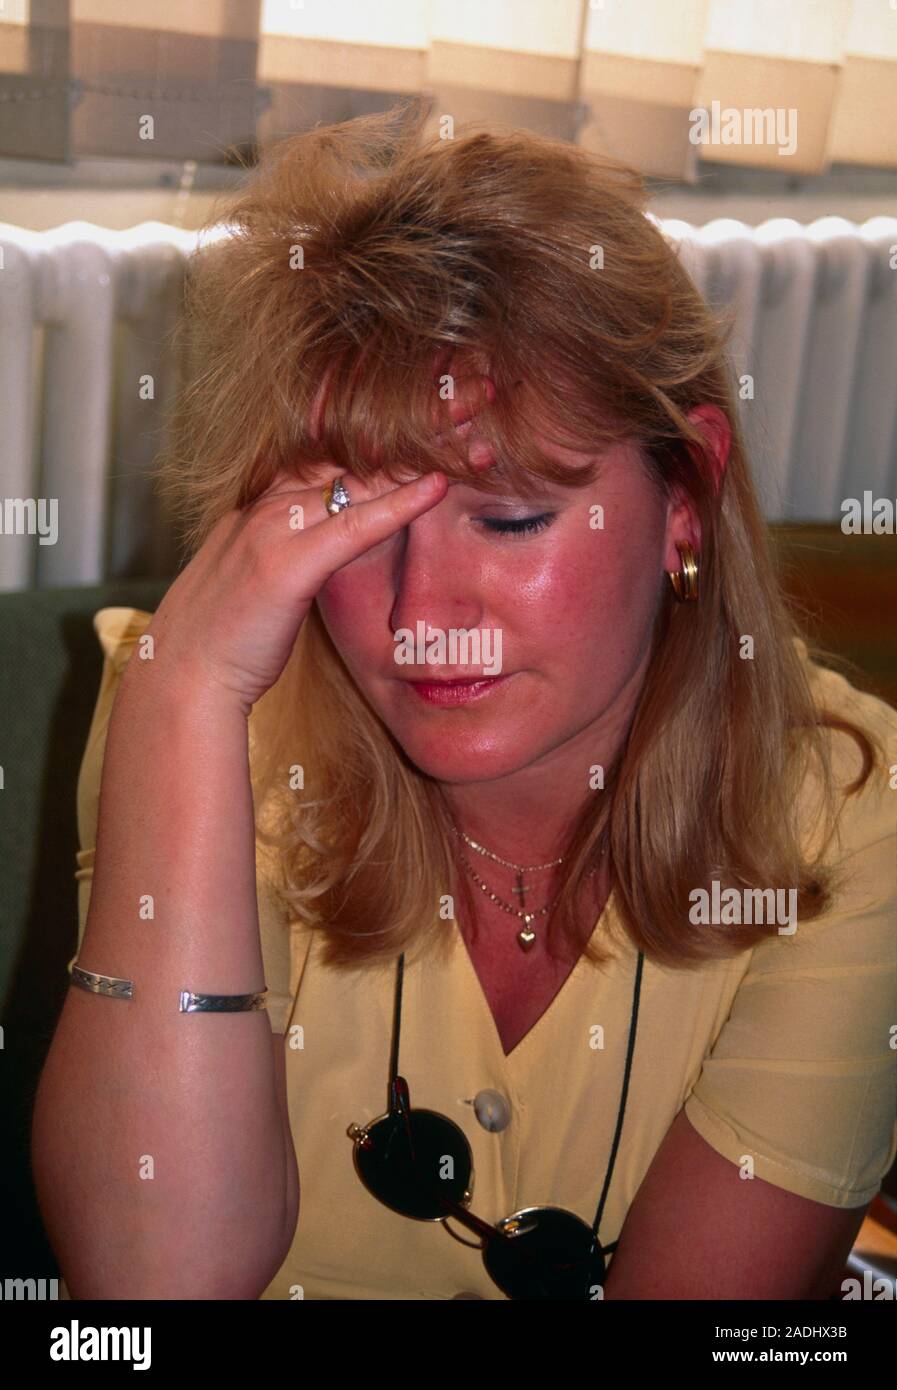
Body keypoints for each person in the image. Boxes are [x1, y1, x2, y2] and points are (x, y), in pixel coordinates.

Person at [32, 101, 897, 1301]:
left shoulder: (861, 825)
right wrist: (183, 695)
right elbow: (152, 1289)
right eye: (353, 523)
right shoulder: (197, 722)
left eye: (509, 519)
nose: (419, 611)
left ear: (686, 493)